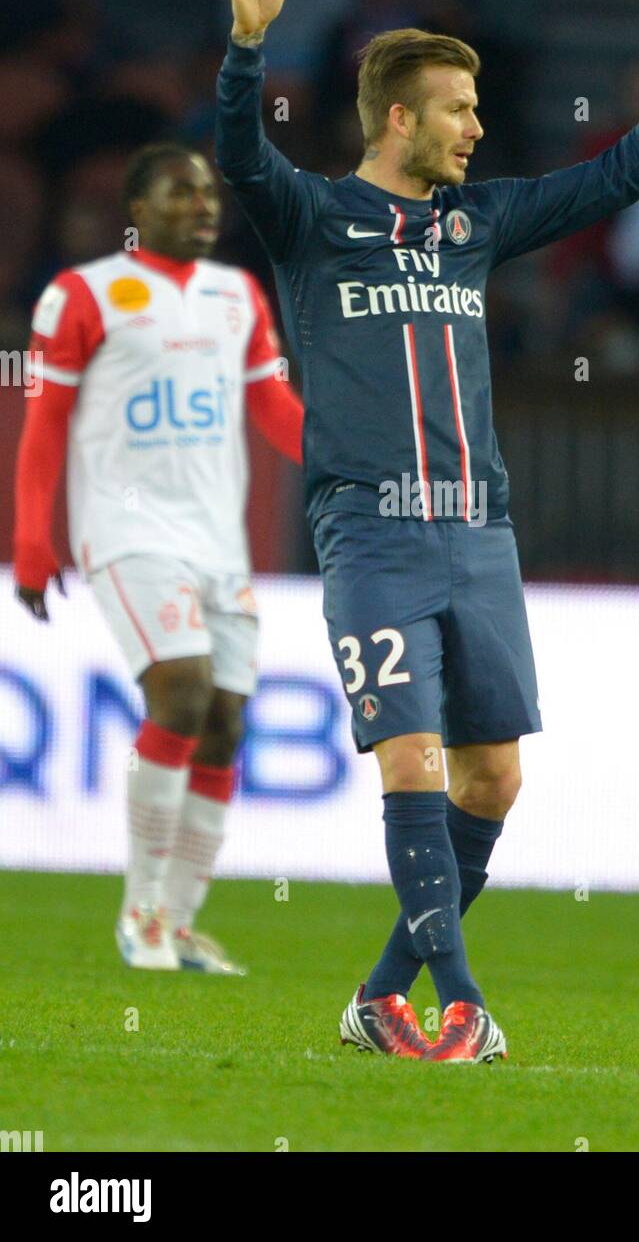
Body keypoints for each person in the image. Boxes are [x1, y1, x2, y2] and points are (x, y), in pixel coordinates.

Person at [216, 0, 639, 1060]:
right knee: (414, 760)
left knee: (496, 774)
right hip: (372, 529)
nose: (478, 128)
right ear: (397, 122)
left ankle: (381, 995)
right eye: (459, 110)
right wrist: (246, 46)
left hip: (479, 531)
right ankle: (462, 999)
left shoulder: (480, 226)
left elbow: (617, 176)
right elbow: (239, 154)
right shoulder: (314, 220)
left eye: (477, 109)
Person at [13, 143, 304, 974]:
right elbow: (45, 426)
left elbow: (272, 407)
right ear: (136, 212)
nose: (204, 207)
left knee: (224, 723)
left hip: (219, 539)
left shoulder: (236, 295)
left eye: (209, 195)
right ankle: (138, 913)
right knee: (180, 690)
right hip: (127, 530)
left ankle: (177, 923)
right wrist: (35, 540)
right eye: (181, 194)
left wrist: (334, 452)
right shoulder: (82, 294)